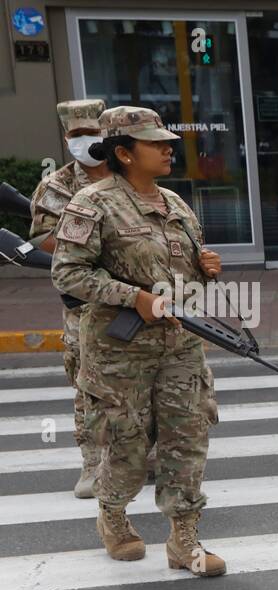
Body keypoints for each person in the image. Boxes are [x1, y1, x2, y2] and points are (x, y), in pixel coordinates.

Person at [50, 107, 225, 575]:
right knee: (126, 445)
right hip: (118, 350)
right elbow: (67, 273)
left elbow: (181, 277)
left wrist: (203, 271)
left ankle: (183, 536)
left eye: (168, 141)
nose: (169, 148)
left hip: (179, 345)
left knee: (187, 438)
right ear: (124, 153)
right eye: (156, 143)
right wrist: (133, 297)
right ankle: (113, 514)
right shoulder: (92, 203)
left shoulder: (176, 203)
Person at [29, 99, 110, 498]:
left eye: (92, 134)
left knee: (141, 380)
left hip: (135, 298)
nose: (86, 142)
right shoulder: (57, 185)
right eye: (77, 136)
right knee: (88, 383)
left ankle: (142, 454)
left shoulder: (129, 171)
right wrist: (91, 248)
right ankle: (93, 462)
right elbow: (41, 239)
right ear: (67, 138)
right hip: (85, 303)